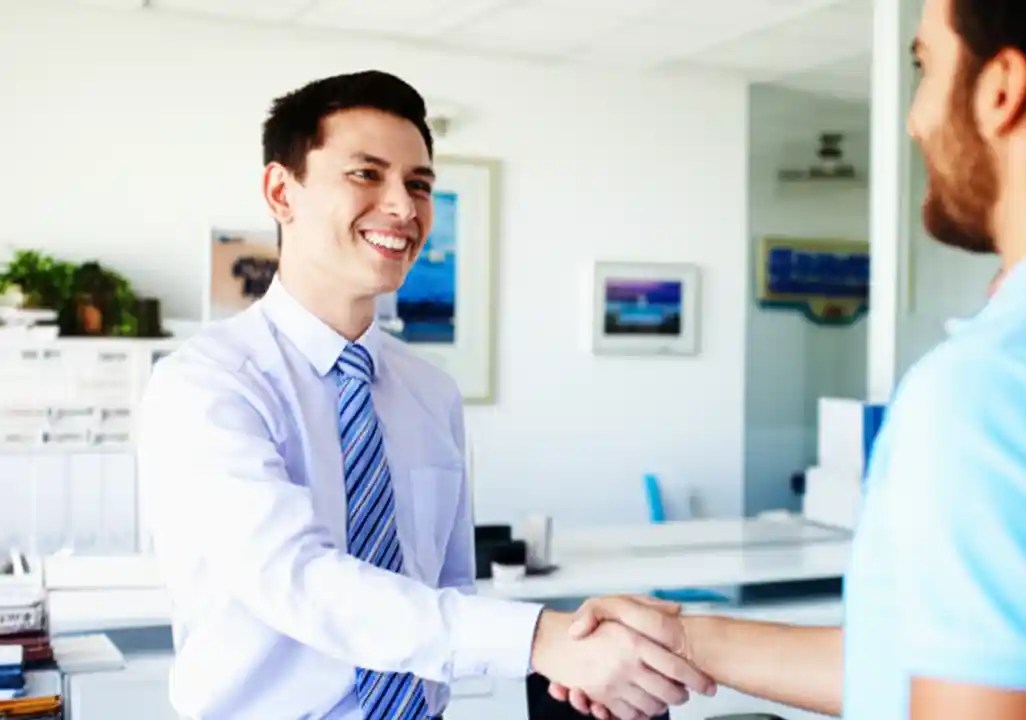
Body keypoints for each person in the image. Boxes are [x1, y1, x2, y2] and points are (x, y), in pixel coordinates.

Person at [552, 0, 1026, 718]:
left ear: (1001, 91)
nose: (913, 118)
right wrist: (685, 638)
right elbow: (950, 668)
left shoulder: (1000, 392)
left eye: (925, 68)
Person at [135, 70, 712, 720]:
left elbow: (449, 588)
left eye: (419, 184)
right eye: (366, 174)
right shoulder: (205, 384)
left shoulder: (430, 393)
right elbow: (296, 580)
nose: (404, 208)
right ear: (281, 190)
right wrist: (540, 639)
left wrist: (565, 662)